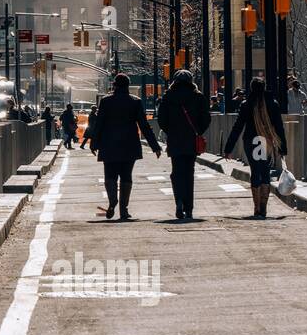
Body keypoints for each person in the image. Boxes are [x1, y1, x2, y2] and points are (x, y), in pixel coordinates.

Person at [87, 73, 161, 221]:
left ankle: (112, 200)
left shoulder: (106, 101)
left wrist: (94, 142)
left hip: (109, 144)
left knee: (110, 175)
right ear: (128, 86)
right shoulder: (135, 102)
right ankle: (124, 210)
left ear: (114, 85)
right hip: (129, 144)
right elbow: (144, 126)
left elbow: (99, 124)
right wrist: (155, 146)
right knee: (126, 176)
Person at [223, 77, 288, 219]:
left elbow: (238, 126)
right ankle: (264, 207)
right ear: (264, 87)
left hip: (251, 141)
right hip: (267, 141)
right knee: (265, 171)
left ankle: (256, 206)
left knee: (255, 170)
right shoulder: (273, 104)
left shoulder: (246, 104)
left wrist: (228, 148)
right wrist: (283, 147)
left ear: (251, 88)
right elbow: (279, 127)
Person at [156, 70, 212, 222]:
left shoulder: (168, 97)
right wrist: (198, 131)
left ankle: (179, 201)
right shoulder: (198, 96)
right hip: (191, 140)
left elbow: (161, 119)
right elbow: (206, 118)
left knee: (177, 172)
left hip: (175, 140)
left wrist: (171, 131)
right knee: (189, 173)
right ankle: (189, 208)